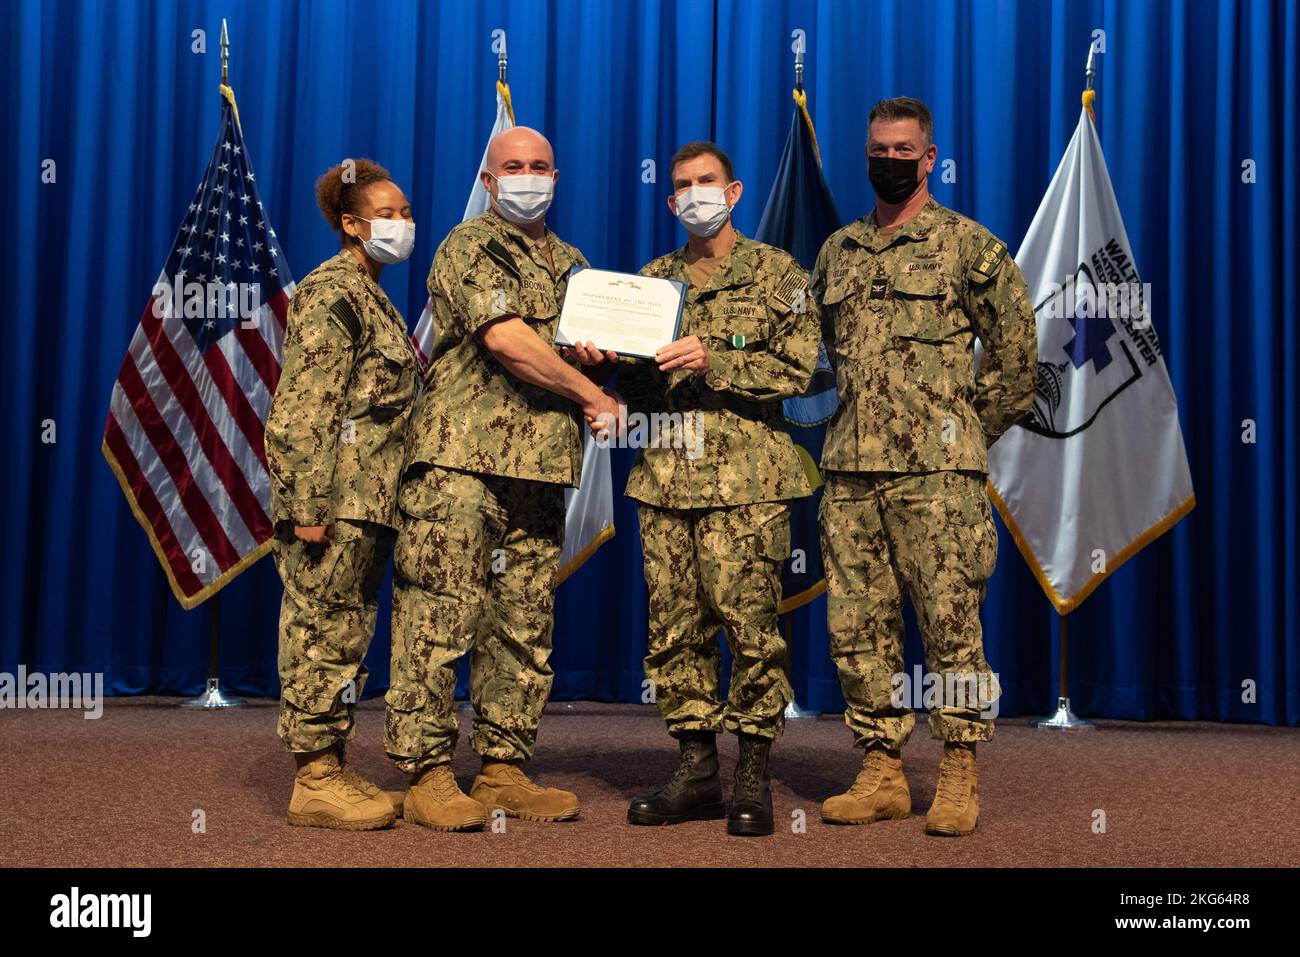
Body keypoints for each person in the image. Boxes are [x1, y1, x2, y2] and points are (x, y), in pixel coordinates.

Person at [577, 141, 818, 836]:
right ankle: (695, 767)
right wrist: (605, 365)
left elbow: (805, 365)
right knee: (675, 632)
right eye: (682, 186)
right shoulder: (649, 284)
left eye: (706, 182)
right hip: (665, 479)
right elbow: (641, 384)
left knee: (751, 631)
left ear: (734, 191)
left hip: (746, 482)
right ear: (669, 200)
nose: (694, 194)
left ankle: (752, 770)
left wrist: (721, 357)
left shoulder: (778, 273)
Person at [384, 127, 620, 831]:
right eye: (511, 166)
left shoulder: (577, 265)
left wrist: (599, 362)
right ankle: (426, 773)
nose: (526, 176)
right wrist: (592, 393)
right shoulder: (467, 245)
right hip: (461, 463)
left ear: (557, 175)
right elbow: (507, 340)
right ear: (489, 181)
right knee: (437, 616)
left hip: (539, 470)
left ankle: (503, 767)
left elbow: (582, 356)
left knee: (522, 624)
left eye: (539, 166)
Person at [813, 97, 1037, 836]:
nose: (889, 159)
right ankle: (880, 768)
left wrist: (963, 431)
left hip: (937, 480)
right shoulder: (836, 253)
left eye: (903, 149)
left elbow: (1016, 356)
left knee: (950, 624)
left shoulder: (970, 248)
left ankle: (959, 768)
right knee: (858, 626)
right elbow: (808, 357)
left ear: (929, 158)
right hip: (849, 475)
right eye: (878, 147)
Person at [265, 158, 420, 830]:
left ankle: (332, 759)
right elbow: (303, 406)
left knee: (346, 631)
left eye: (407, 211)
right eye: (388, 214)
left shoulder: (372, 293)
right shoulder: (333, 290)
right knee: (319, 631)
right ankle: (314, 778)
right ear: (351, 224)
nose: (403, 223)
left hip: (370, 500)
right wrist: (305, 507)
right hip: (333, 501)